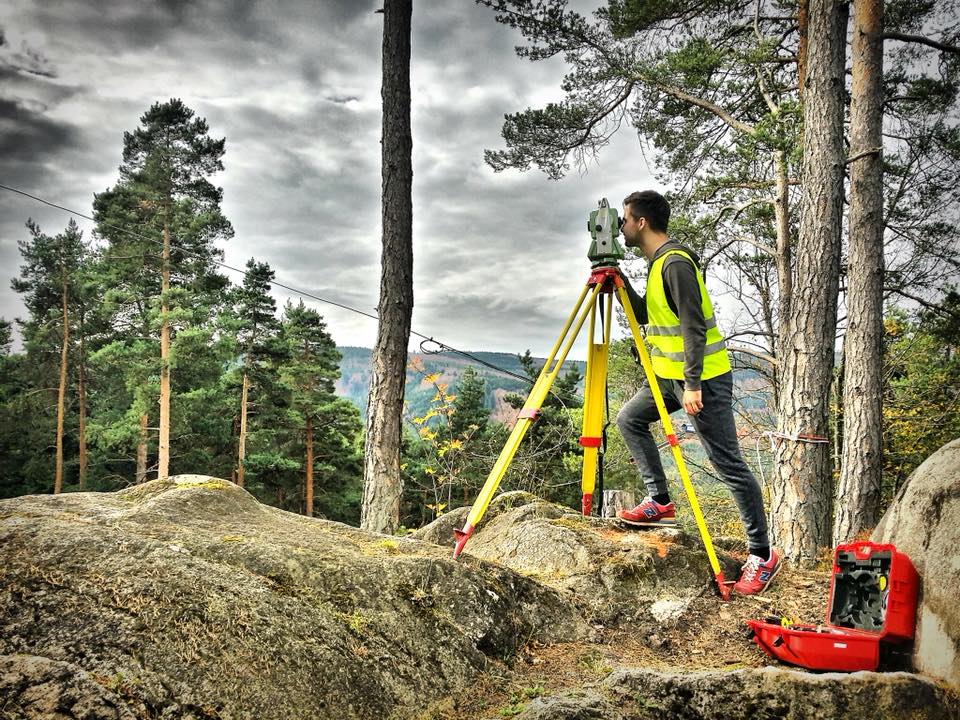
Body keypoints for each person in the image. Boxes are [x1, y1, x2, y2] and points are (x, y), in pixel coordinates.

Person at [615, 190, 781, 595]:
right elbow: (652, 318)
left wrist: (691, 385)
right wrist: (620, 285)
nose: (620, 227)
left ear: (641, 222)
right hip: (672, 379)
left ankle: (762, 555)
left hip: (700, 381)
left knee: (728, 465)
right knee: (629, 419)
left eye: (624, 219)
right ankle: (660, 500)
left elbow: (693, 327)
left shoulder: (674, 263)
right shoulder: (656, 266)